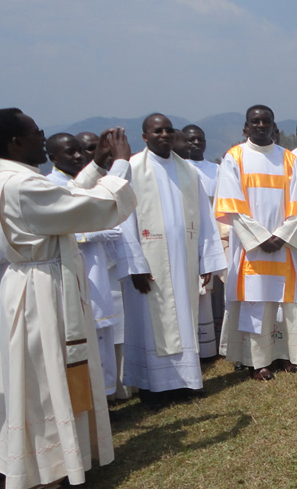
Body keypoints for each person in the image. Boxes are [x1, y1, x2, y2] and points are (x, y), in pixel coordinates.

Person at [0, 108, 135, 489]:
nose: (42, 138)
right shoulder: (20, 185)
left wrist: (96, 168)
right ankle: (47, 469)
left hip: (38, 281)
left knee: (52, 375)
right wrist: (119, 168)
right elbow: (89, 209)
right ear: (15, 142)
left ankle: (68, 457)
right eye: (37, 132)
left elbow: (64, 198)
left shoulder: (8, 177)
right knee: (46, 379)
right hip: (42, 292)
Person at [119, 114, 226, 402]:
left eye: (168, 130)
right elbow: (124, 219)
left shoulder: (188, 171)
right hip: (148, 263)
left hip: (184, 260)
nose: (164, 135)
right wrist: (135, 265)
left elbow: (204, 217)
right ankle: (152, 389)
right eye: (157, 131)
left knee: (183, 319)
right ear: (145, 137)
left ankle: (185, 382)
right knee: (151, 324)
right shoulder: (132, 169)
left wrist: (207, 262)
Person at [215, 105, 297, 381]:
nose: (261, 125)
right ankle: (257, 362)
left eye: (266, 121)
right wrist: (260, 238)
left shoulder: (288, 159)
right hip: (250, 248)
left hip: (282, 242)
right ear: (246, 127)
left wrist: (281, 235)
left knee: (284, 299)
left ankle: (285, 356)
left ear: (273, 126)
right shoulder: (235, 157)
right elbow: (232, 204)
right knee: (255, 300)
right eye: (255, 122)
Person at [44, 133, 125, 399]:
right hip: (70, 273)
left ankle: (104, 397)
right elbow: (64, 227)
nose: (79, 157)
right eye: (71, 152)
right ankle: (87, 399)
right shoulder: (50, 186)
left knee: (101, 335)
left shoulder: (79, 181)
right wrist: (96, 232)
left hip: (96, 269)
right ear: (53, 157)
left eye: (81, 151)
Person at [182, 123, 224, 356]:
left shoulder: (216, 169)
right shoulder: (182, 169)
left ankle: (217, 339)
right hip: (193, 231)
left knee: (219, 287)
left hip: (218, 230)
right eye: (190, 139)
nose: (196, 143)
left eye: (200, 139)